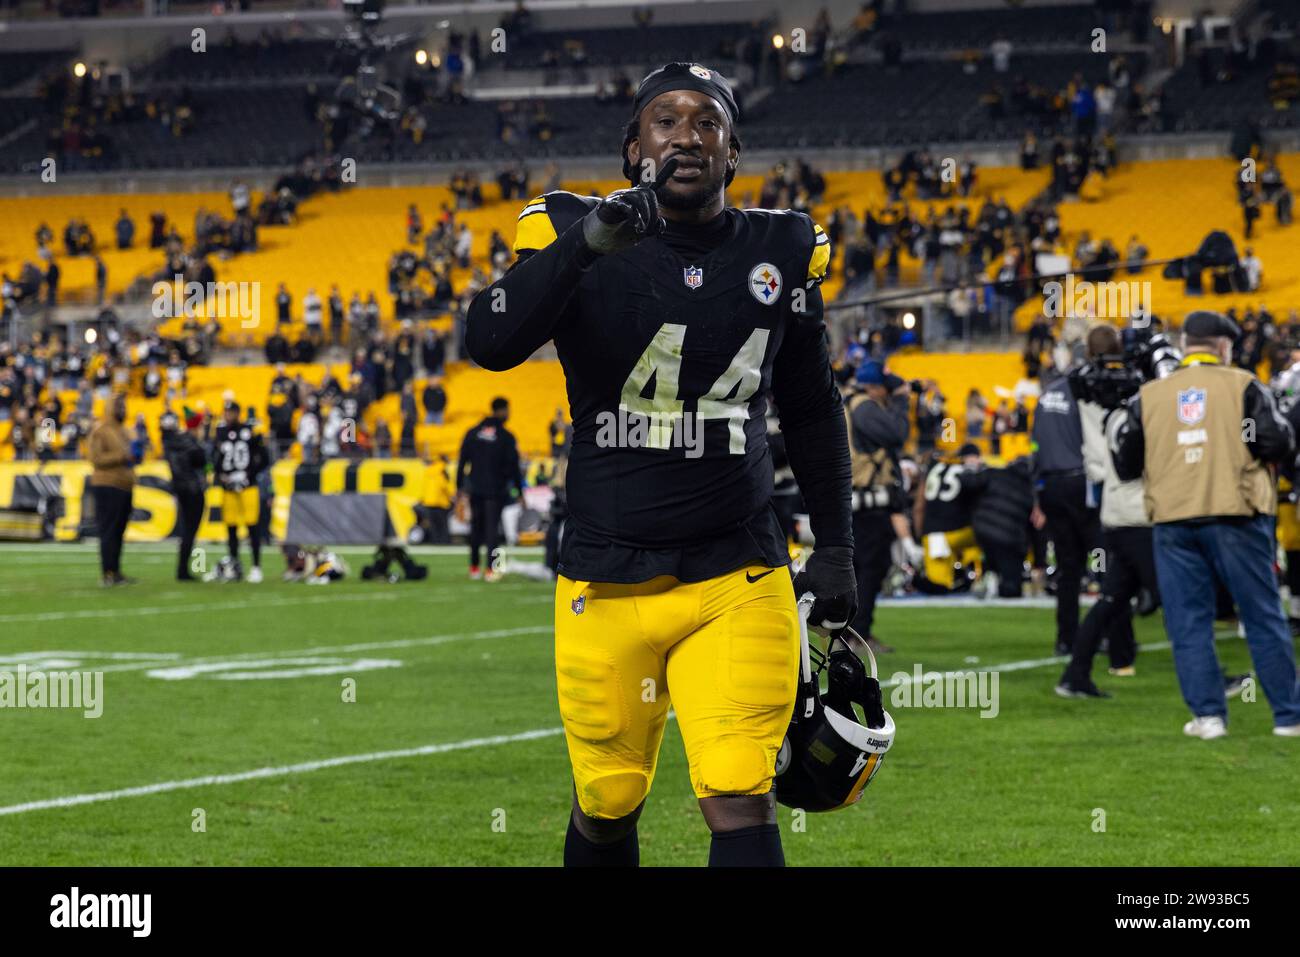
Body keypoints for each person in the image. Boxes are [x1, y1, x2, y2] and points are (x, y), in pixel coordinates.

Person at [464, 62, 858, 867]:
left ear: (733, 151)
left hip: (738, 567)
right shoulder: (569, 224)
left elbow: (812, 408)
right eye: (667, 121)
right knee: (608, 800)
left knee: (739, 789)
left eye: (708, 122)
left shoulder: (783, 247)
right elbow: (490, 341)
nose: (688, 136)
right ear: (633, 147)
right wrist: (585, 246)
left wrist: (839, 547)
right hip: (607, 570)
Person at [1112, 310, 1300, 738]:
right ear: (1223, 346)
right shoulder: (1243, 385)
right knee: (1261, 614)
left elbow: (1126, 463)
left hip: (1173, 518)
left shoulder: (1149, 396)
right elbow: (1277, 442)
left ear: (1185, 345)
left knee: (1188, 622)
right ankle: (1288, 717)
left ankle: (1209, 717)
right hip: (1235, 513)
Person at [1057, 324, 1152, 697]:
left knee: (1113, 596)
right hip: (1135, 499)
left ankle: (1076, 673)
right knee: (1179, 596)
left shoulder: (1082, 385)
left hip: (1108, 494)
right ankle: (1208, 678)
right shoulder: (1132, 385)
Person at [844, 360, 913, 653]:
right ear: (875, 388)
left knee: (862, 570)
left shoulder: (849, 401)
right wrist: (901, 401)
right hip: (868, 506)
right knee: (870, 571)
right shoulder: (864, 407)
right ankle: (858, 635)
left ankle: (850, 634)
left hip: (858, 504)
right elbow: (897, 434)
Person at [1033, 356, 1097, 655]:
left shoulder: (1045, 396)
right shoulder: (1085, 393)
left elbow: (1034, 448)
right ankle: (1106, 634)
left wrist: (1036, 496)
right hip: (1082, 485)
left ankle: (1066, 639)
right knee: (1103, 560)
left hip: (1051, 488)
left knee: (1068, 568)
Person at [456, 397, 522, 581]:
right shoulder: (505, 436)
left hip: (475, 489)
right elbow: (514, 466)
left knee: (476, 529)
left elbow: (462, 461)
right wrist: (519, 490)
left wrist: (459, 486)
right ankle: (491, 570)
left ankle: (474, 567)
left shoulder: (473, 432)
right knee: (492, 530)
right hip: (495, 490)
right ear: (502, 411)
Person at [209, 399, 268, 583]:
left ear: (237, 413)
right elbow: (215, 459)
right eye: (226, 412)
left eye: (231, 412)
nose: (228, 415)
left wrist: (249, 476)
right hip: (228, 488)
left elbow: (264, 458)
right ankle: (234, 567)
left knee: (252, 527)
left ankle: (256, 567)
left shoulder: (249, 431)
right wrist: (221, 476)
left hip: (247, 486)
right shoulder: (220, 432)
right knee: (231, 528)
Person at [87, 392, 135, 586]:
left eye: (124, 406)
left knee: (119, 531)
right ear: (110, 408)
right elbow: (96, 458)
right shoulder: (101, 430)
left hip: (124, 485)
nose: (123, 409)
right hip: (107, 485)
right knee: (108, 530)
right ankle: (107, 572)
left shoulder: (125, 431)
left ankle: (115, 571)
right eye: (119, 406)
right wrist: (122, 456)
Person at [162, 407, 209, 582]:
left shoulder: (174, 442)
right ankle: (183, 570)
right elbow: (203, 464)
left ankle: (182, 569)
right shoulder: (194, 445)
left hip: (180, 489)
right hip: (194, 490)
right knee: (190, 530)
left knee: (186, 530)